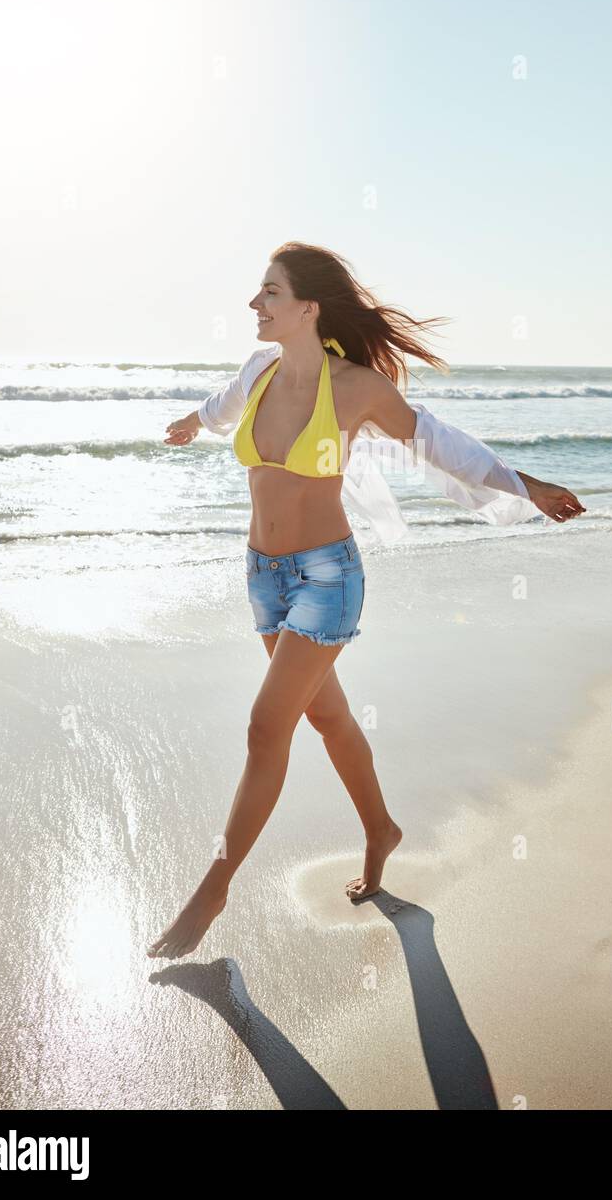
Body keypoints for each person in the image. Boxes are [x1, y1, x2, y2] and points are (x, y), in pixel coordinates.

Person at [147, 242, 584, 959]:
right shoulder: (257, 370)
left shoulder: (356, 389)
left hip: (327, 578)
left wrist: (525, 484)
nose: (255, 305)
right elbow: (220, 409)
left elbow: (441, 445)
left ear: (309, 308)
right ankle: (381, 830)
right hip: (262, 574)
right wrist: (193, 425)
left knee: (265, 729)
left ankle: (213, 889)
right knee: (328, 716)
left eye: (270, 293)